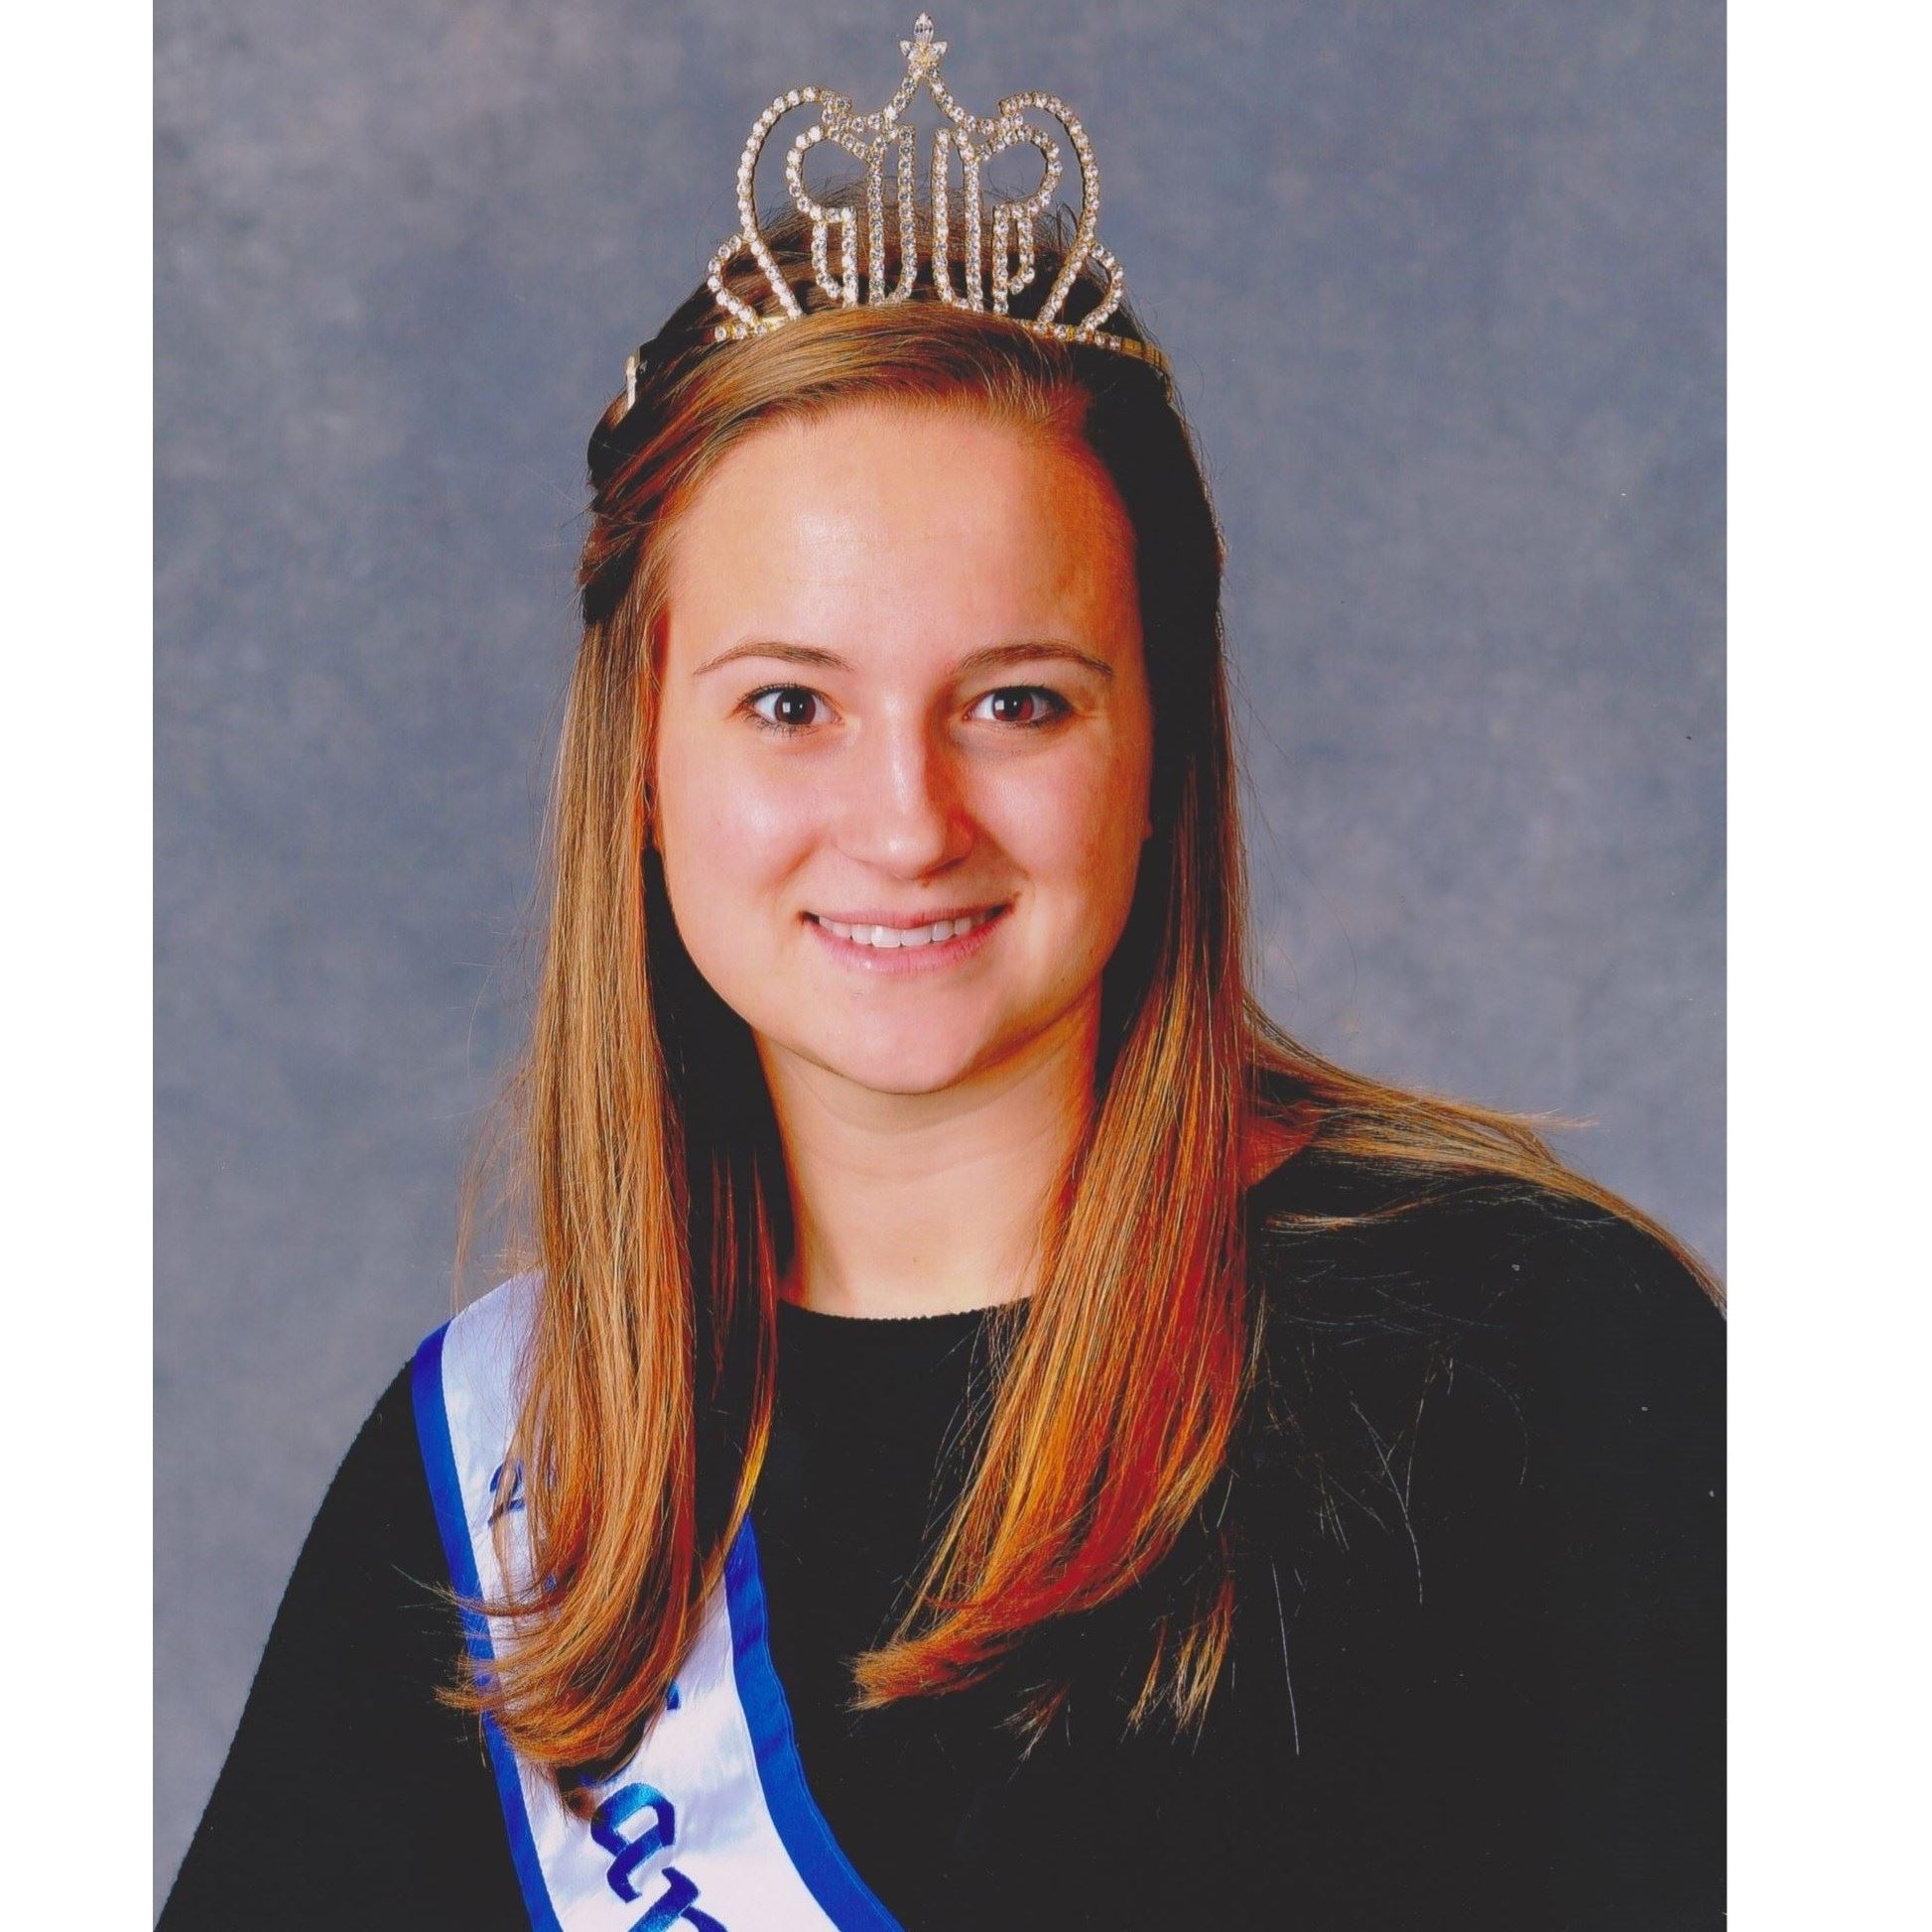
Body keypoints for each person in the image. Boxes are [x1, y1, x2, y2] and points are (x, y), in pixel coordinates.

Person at [161, 17, 1723, 1929]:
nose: (906, 821)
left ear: (1160, 749)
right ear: (642, 761)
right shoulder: (513, 1483)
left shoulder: (1538, 1356)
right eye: (790, 704)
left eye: (1016, 701)